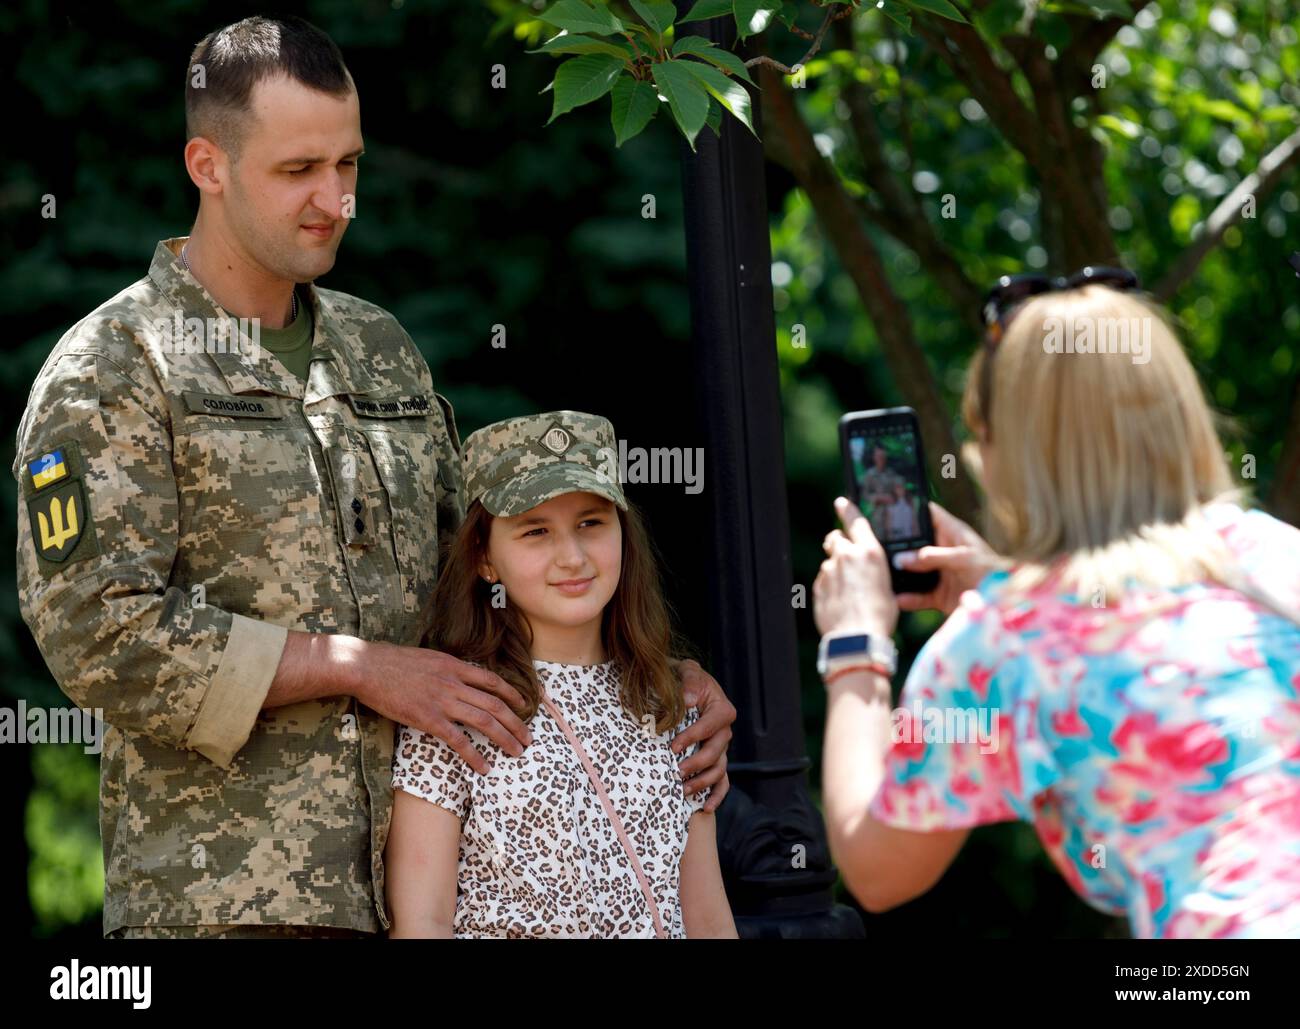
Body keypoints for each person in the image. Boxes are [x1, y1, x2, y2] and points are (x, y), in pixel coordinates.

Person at [13, 15, 735, 940]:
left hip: (427, 900)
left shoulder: (382, 350)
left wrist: (649, 682)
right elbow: (96, 629)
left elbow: (481, 572)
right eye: (298, 170)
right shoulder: (113, 366)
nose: (334, 198)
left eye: (348, 165)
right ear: (208, 164)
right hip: (228, 908)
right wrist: (357, 669)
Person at [814, 275, 1300, 938]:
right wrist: (1003, 582)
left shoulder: (1003, 643)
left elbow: (875, 869)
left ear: (1010, 452)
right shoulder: (1272, 552)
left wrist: (854, 643)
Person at [386, 412, 738, 938]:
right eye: (535, 531)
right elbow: (422, 922)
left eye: (591, 523)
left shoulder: (670, 703)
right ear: (484, 557)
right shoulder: (455, 705)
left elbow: (707, 917)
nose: (572, 556)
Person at [860, 445, 902, 541]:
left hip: (892, 513)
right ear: (874, 457)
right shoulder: (869, 475)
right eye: (879, 456)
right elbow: (864, 495)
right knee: (879, 539)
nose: (881, 459)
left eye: (883, 457)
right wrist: (879, 497)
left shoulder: (891, 473)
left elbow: (899, 489)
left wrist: (894, 495)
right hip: (877, 515)